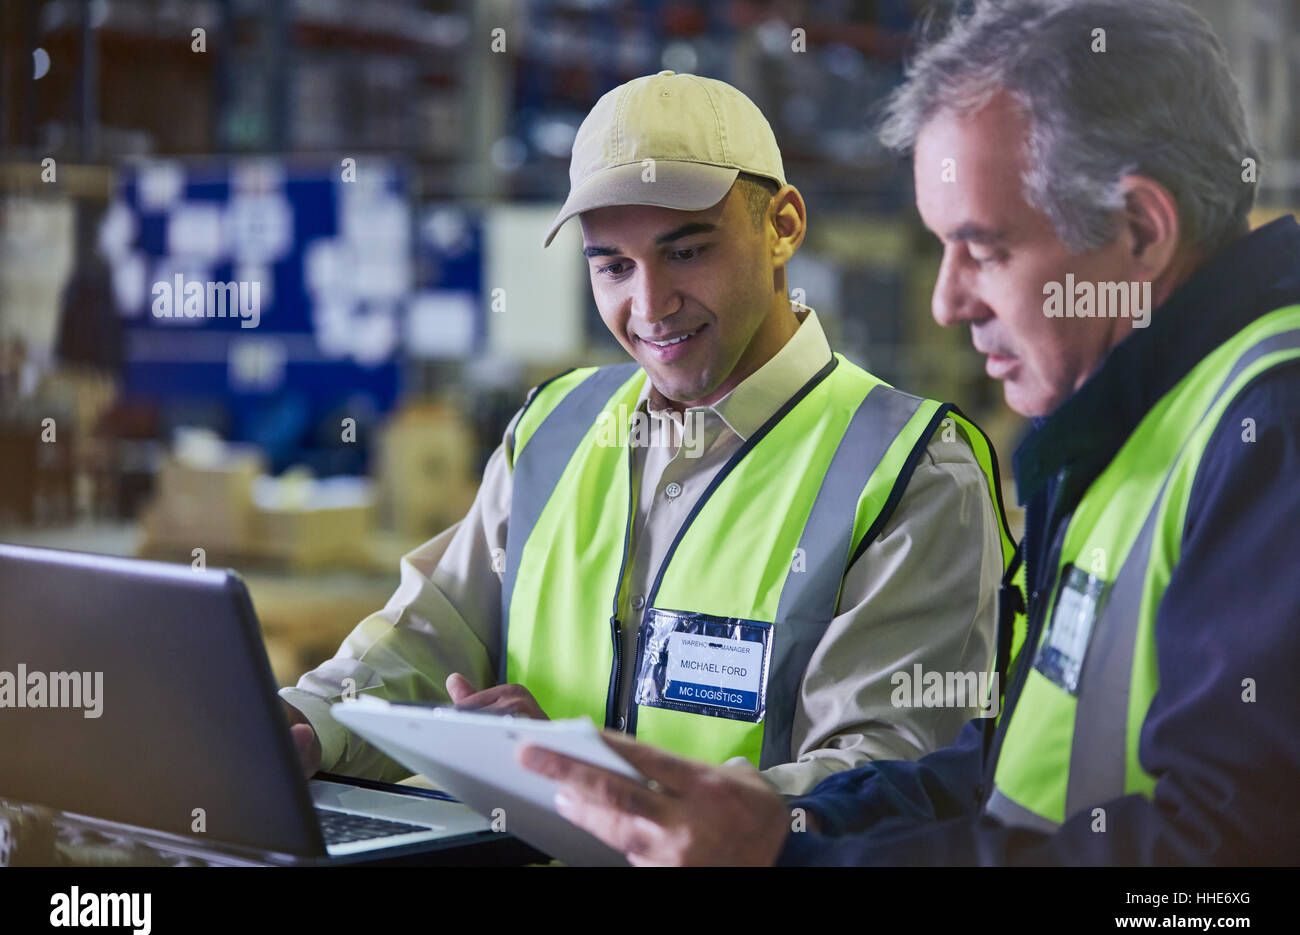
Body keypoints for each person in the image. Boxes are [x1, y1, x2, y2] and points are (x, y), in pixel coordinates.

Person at [520, 0, 1300, 864]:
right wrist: (790, 824)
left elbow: (1215, 870)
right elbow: (1008, 773)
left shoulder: (1273, 429)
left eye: (985, 250)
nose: (946, 301)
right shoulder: (1130, 430)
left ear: (1140, 231)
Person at [280, 71, 1016, 795]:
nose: (651, 304)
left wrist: (610, 793)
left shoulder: (915, 471)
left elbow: (885, 781)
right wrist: (308, 722)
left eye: (687, 251)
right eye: (613, 267)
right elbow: (430, 633)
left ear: (783, 225)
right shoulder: (552, 430)